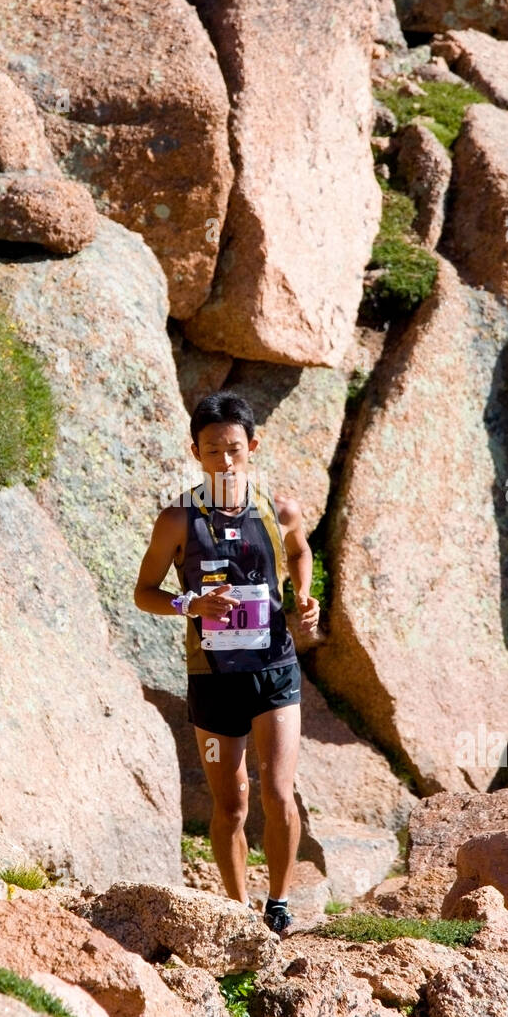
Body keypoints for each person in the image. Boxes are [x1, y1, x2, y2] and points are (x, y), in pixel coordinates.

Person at [134, 391, 320, 935]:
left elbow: (300, 549)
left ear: (253, 447)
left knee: (278, 791)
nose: (225, 460)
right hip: (212, 678)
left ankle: (279, 903)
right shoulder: (177, 518)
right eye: (212, 450)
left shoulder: (278, 509)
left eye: (234, 448)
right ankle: (238, 909)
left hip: (274, 669)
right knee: (232, 803)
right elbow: (144, 591)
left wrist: (303, 597)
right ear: (196, 452)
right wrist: (188, 603)